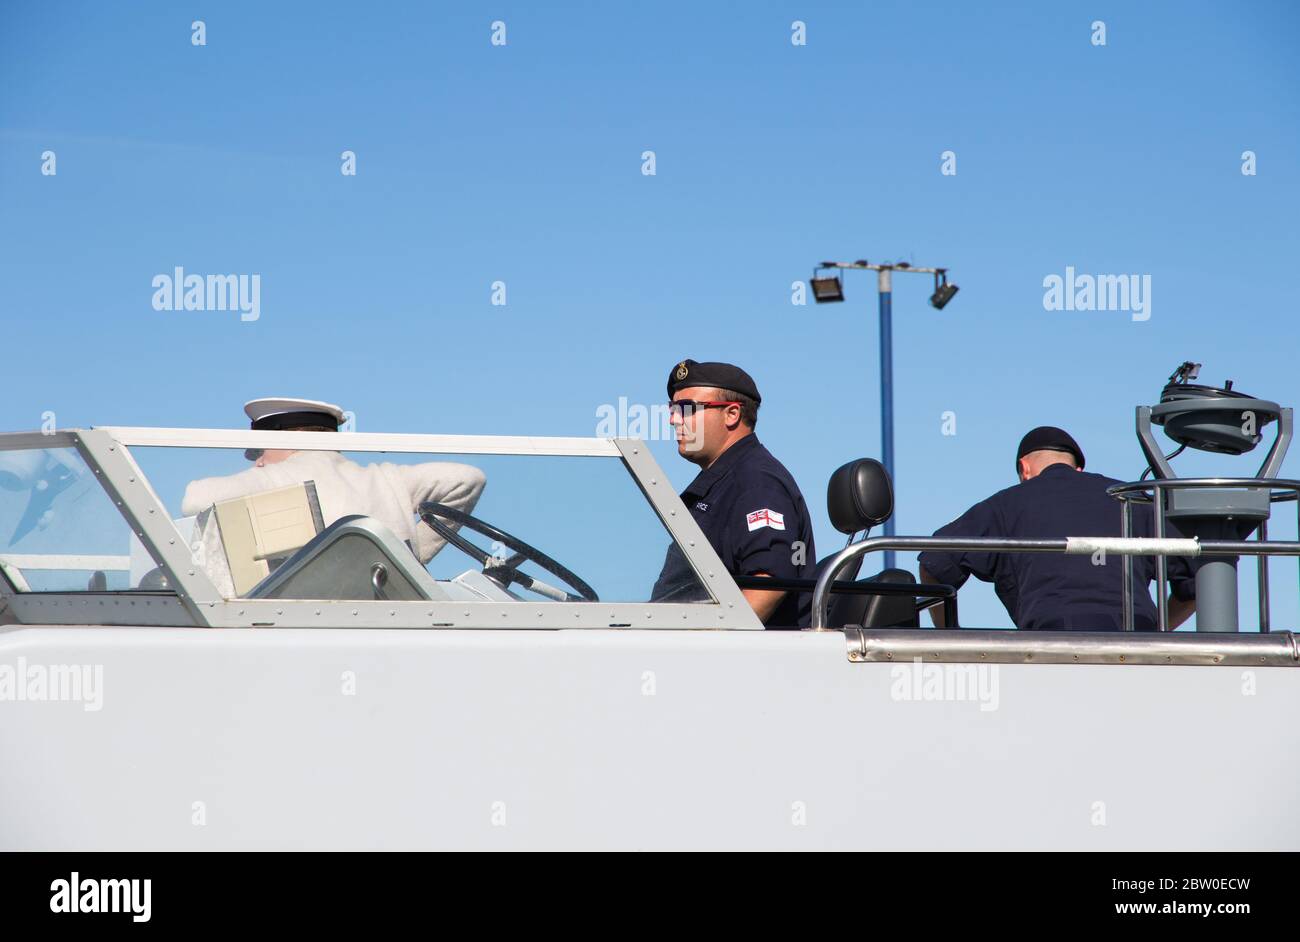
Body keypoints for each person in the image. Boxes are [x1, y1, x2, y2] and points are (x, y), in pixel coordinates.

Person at [182, 398, 486, 597]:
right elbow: (468, 479)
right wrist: (411, 557)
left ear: (287, 439)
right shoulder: (386, 477)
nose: (258, 461)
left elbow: (194, 499)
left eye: (260, 450)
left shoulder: (273, 478)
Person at [917, 426, 1197, 630]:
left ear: (1024, 469)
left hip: (1050, 645)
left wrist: (950, 633)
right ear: (1077, 468)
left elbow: (934, 560)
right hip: (1138, 647)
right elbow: (1200, 578)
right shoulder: (1132, 499)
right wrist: (1159, 632)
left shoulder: (1007, 503)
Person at [650, 360, 816, 627]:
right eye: (672, 409)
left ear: (732, 414)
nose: (672, 419)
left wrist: (706, 649)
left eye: (687, 409)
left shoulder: (756, 482)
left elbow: (769, 581)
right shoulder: (722, 484)